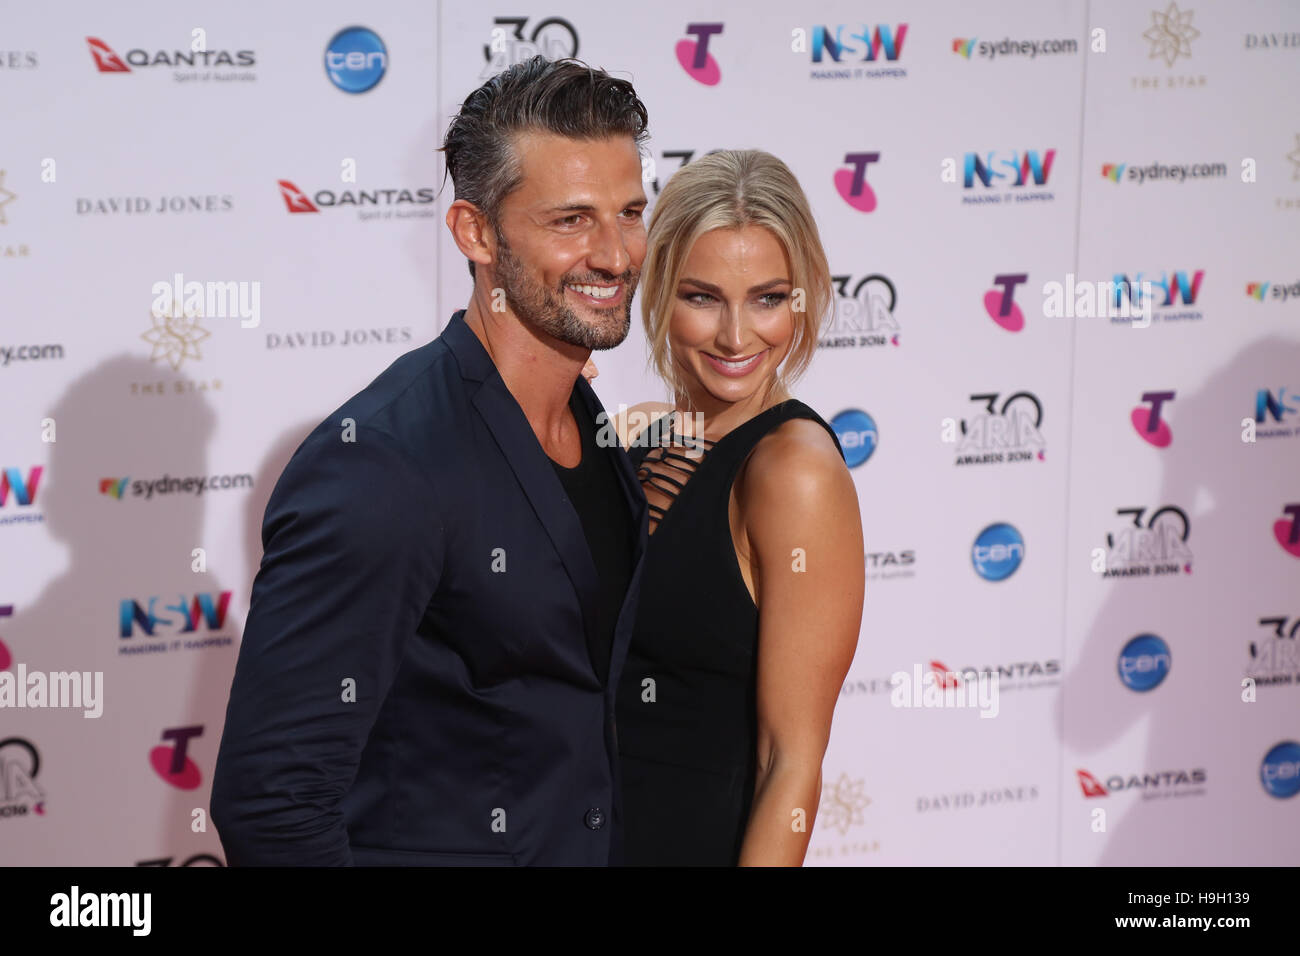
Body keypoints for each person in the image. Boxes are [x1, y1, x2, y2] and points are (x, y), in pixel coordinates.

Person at [210, 56, 652, 866]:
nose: (616, 254)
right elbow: (270, 804)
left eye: (629, 212)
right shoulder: (384, 463)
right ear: (475, 233)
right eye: (571, 220)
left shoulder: (588, 421)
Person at [609, 149, 865, 865]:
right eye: (702, 296)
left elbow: (789, 762)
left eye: (767, 297)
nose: (735, 336)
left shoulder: (793, 471)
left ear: (803, 297)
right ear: (660, 290)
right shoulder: (648, 438)